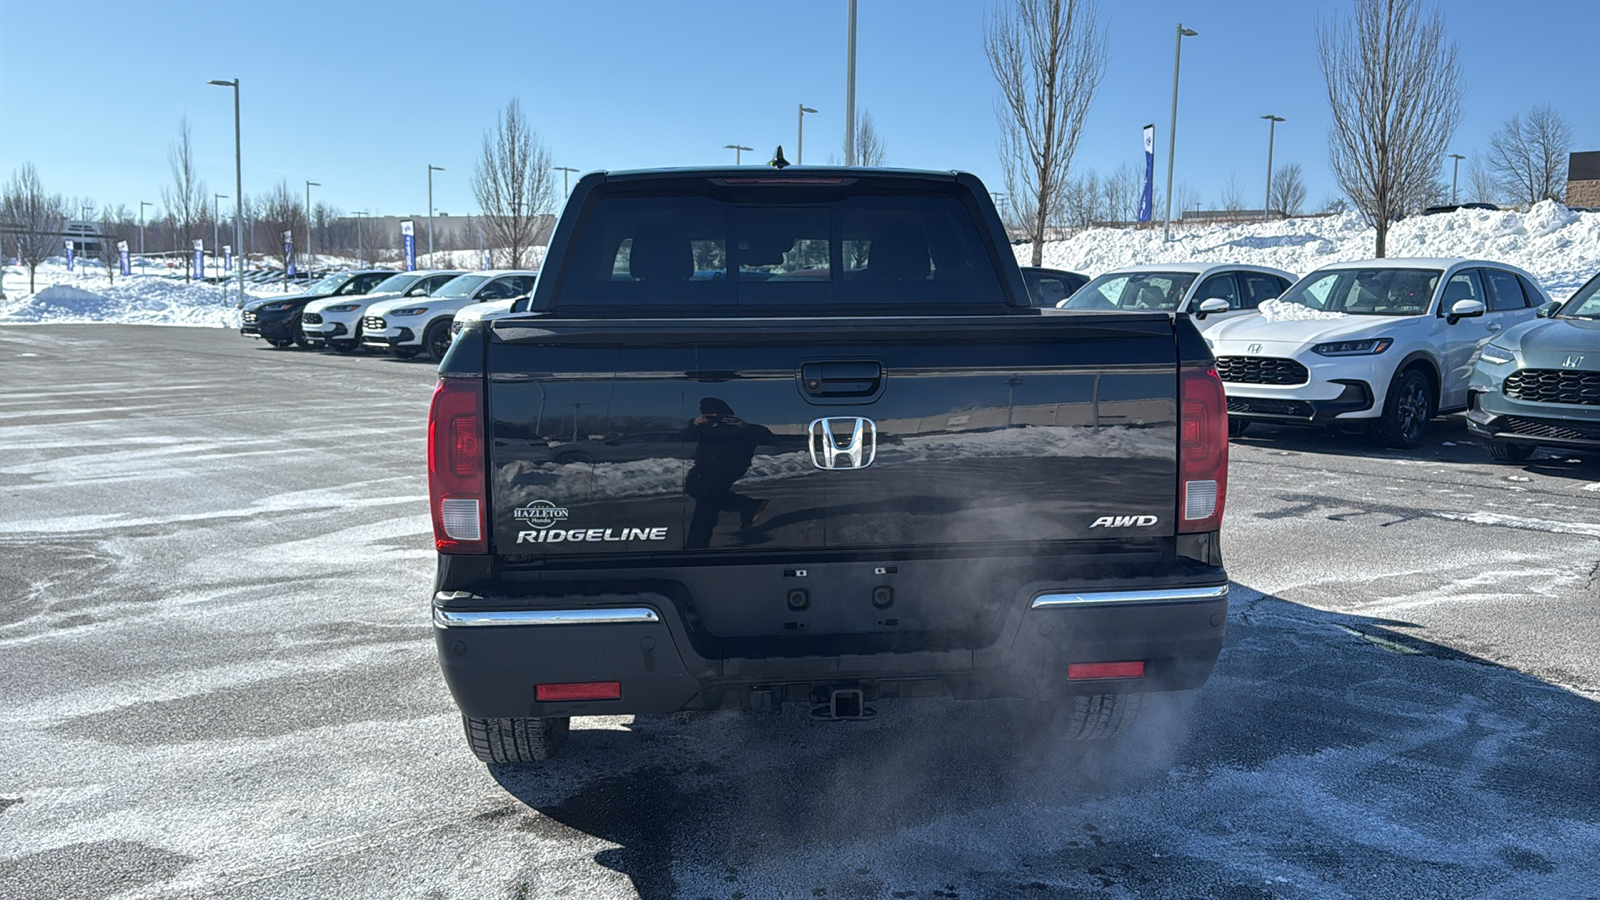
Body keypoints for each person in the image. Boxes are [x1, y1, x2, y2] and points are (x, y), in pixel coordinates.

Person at [681, 398, 773, 548]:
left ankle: (696, 545)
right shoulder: (704, 428)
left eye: (718, 413)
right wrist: (695, 424)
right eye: (709, 414)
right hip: (703, 469)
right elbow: (682, 438)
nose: (715, 417)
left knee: (706, 504)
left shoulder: (738, 428)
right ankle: (747, 505)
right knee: (696, 489)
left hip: (727, 468)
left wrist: (745, 427)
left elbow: (767, 438)